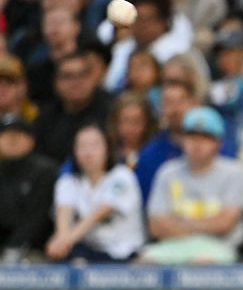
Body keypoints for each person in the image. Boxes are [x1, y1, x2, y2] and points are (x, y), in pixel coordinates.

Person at [142, 106, 243, 264]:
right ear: (182, 140)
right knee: (144, 262)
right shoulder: (167, 172)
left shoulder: (235, 172)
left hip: (219, 247)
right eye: (191, 136)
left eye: (205, 137)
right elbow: (156, 226)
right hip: (173, 246)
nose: (197, 144)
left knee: (201, 263)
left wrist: (178, 222)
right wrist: (205, 225)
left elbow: (225, 224)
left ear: (218, 143)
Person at [46, 124, 145, 262]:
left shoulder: (122, 176)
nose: (88, 152)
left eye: (94, 145)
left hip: (123, 253)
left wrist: (65, 241)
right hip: (88, 250)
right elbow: (64, 211)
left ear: (107, 149)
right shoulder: (68, 180)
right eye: (82, 146)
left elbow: (100, 213)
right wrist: (61, 237)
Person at [32, 50, 112, 163]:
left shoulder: (112, 111)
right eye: (68, 76)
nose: (76, 82)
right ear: (56, 82)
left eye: (82, 75)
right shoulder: (45, 119)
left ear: (92, 78)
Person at [0, 113, 57, 260]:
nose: (12, 139)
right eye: (6, 134)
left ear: (31, 140)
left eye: (18, 134)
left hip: (34, 250)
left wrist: (13, 247)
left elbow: (38, 217)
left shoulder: (45, 171)